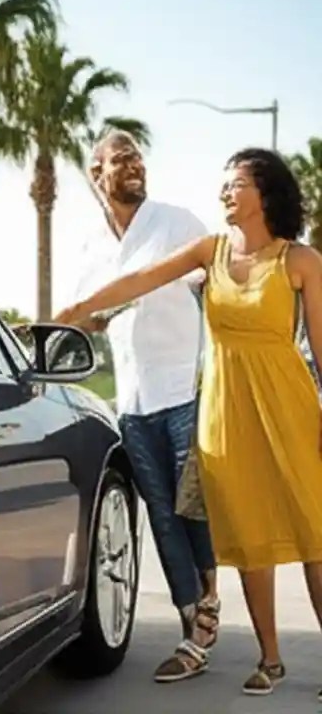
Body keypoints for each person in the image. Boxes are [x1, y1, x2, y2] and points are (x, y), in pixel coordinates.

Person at [55, 147, 322, 697]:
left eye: (236, 183)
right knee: (249, 540)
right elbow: (137, 281)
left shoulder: (301, 261)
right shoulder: (209, 251)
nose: (225, 192)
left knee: (315, 537)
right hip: (226, 417)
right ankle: (270, 660)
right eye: (223, 183)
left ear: (264, 192)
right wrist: (73, 311)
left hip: (289, 411)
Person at [69, 130, 219, 682]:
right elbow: (92, 314)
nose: (134, 164)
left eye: (138, 156)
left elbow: (214, 293)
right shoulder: (91, 246)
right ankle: (193, 620)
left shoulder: (178, 222)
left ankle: (206, 608)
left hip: (185, 389)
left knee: (191, 508)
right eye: (121, 158)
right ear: (97, 174)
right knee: (159, 515)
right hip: (132, 400)